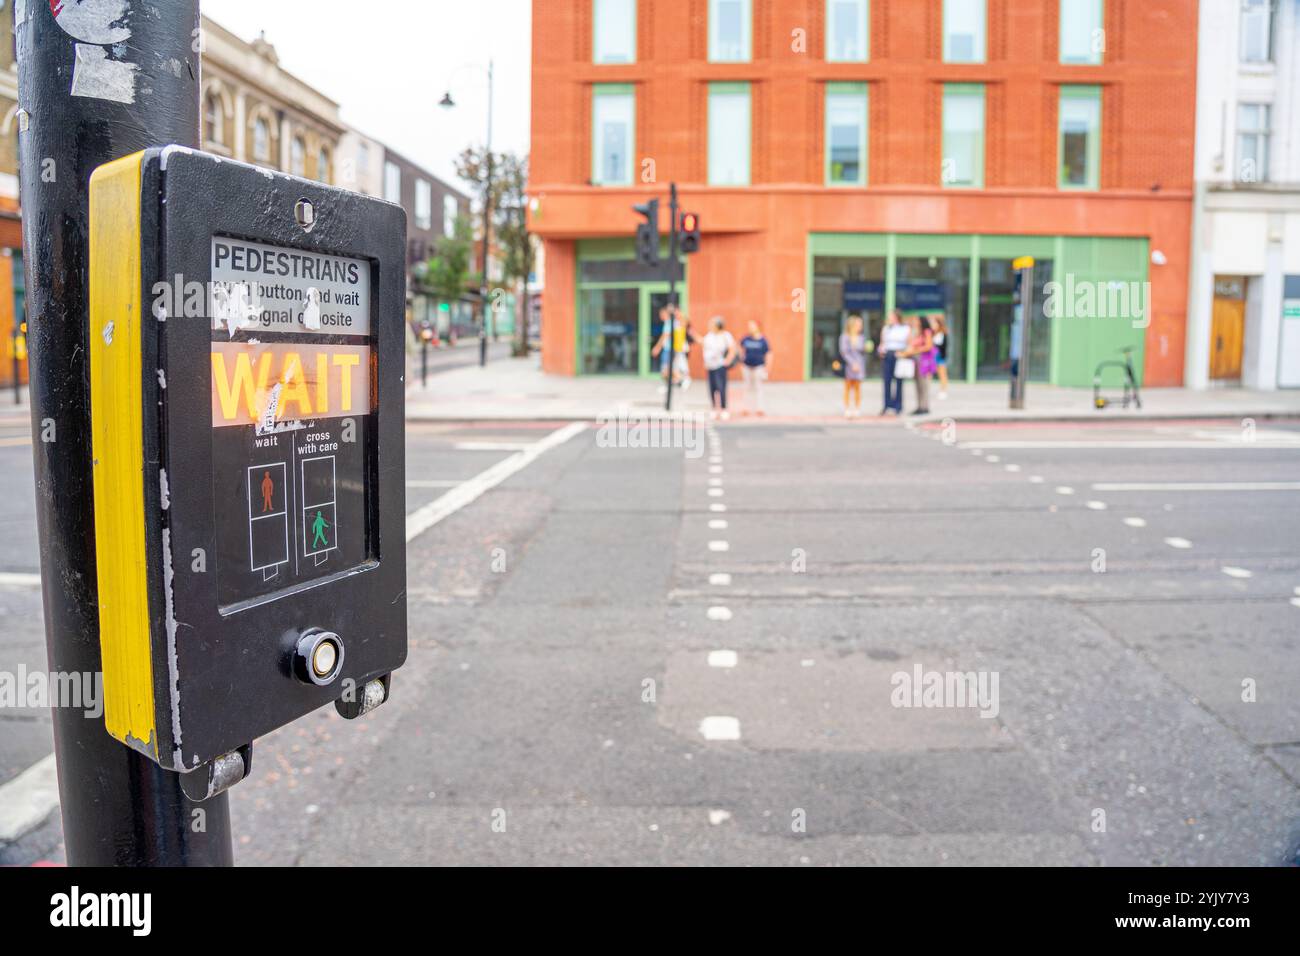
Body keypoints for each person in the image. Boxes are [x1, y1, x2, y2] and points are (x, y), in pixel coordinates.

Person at [701, 315, 738, 420]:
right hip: (710, 366)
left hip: (720, 366)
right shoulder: (709, 336)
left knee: (721, 387)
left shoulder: (726, 335)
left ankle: (723, 409)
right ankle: (714, 408)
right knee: (712, 388)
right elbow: (703, 345)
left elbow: (732, 349)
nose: (710, 326)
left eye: (712, 324)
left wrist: (728, 360)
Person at [899, 314, 935, 415]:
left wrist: (916, 350)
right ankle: (919, 406)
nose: (914, 322)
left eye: (916, 320)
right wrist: (911, 330)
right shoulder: (917, 333)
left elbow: (929, 346)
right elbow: (909, 342)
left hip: (924, 361)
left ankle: (925, 406)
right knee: (918, 384)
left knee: (924, 384)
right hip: (916, 361)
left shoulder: (927, 332)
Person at [650, 305, 691, 390]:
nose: (661, 316)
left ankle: (682, 380)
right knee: (667, 370)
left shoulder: (671, 323)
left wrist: (657, 348)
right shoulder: (671, 323)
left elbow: (664, 336)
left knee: (667, 370)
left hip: (670, 349)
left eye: (662, 314)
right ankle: (677, 382)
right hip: (669, 349)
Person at [877, 309, 909, 415]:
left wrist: (903, 353)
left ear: (896, 317)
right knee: (887, 381)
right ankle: (887, 405)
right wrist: (881, 350)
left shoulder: (905, 328)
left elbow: (907, 342)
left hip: (899, 354)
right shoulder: (886, 329)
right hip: (888, 354)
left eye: (891, 316)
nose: (889, 319)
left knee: (899, 381)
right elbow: (883, 342)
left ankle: (898, 406)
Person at [738, 319, 771, 416]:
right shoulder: (746, 339)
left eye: (752, 326)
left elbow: (769, 353)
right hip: (747, 367)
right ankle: (745, 408)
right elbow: (739, 347)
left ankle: (759, 408)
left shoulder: (763, 340)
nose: (750, 328)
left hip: (758, 367)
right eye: (749, 326)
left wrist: (767, 368)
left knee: (758, 388)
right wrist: (741, 359)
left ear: (757, 327)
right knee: (746, 387)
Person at [838, 315, 867, 418]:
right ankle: (847, 408)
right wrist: (852, 363)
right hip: (849, 366)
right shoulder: (845, 337)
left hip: (859, 365)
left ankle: (857, 408)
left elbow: (862, 352)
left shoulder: (861, 337)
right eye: (859, 324)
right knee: (848, 388)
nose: (861, 326)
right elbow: (844, 352)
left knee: (858, 388)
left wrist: (866, 347)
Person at [931, 313, 950, 399]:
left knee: (942, 374)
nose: (933, 325)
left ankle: (943, 391)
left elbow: (943, 346)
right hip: (932, 356)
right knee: (931, 374)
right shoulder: (932, 333)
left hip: (940, 356)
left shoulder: (943, 334)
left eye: (935, 323)